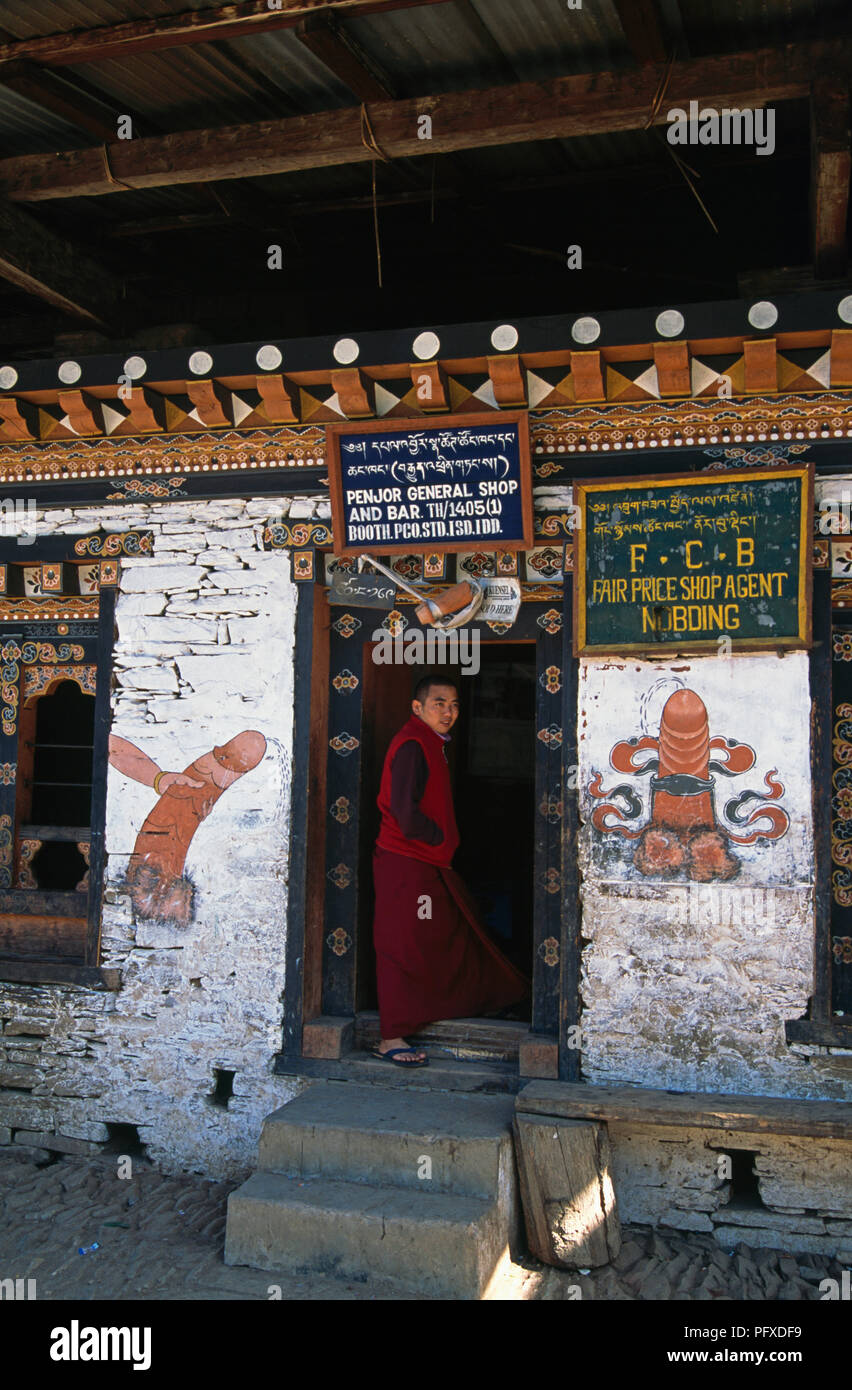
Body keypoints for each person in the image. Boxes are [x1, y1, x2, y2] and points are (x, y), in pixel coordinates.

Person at [372, 675, 529, 1066]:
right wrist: (437, 835)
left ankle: (446, 1007)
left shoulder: (431, 743)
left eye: (454, 705)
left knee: (437, 933)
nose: (448, 712)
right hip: (408, 863)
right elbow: (406, 814)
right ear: (417, 708)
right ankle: (391, 1035)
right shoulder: (412, 745)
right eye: (439, 703)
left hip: (425, 862)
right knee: (406, 939)